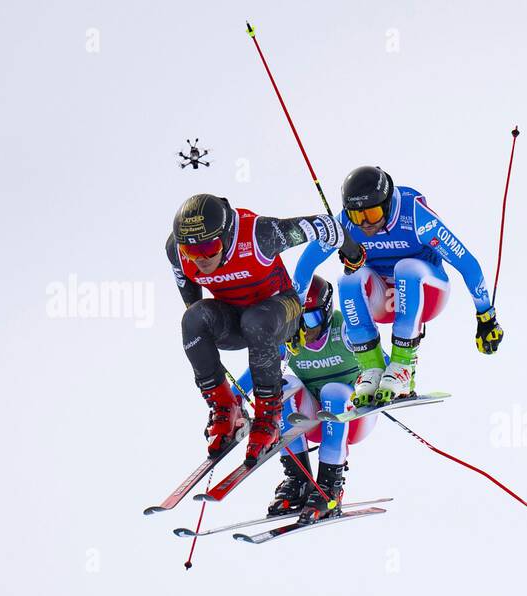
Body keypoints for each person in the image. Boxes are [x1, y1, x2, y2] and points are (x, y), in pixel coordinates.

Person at [167, 193, 365, 464]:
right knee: (192, 319)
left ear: (226, 235)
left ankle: (268, 417)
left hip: (282, 312)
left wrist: (353, 254)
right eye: (192, 252)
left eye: (209, 248)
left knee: (256, 320)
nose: (200, 259)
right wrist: (204, 344)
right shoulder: (176, 251)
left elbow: (326, 225)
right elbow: (194, 305)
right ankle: (225, 409)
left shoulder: (260, 235)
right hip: (235, 320)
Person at [294, 166, 504, 407]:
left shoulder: (415, 216)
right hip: (384, 299)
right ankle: (371, 368)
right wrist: (294, 314)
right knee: (349, 279)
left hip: (427, 292)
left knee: (406, 267)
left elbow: (467, 263)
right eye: (357, 216)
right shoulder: (345, 224)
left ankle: (403, 366)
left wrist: (486, 316)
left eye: (372, 214)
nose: (365, 223)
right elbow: (305, 266)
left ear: (386, 204)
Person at [262, 276, 377, 524]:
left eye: (312, 319)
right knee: (279, 385)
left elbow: (380, 360)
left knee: (333, 391)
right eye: (297, 322)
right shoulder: (288, 338)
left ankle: (329, 487)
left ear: (326, 312)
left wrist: (391, 384)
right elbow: (257, 370)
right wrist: (233, 398)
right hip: (314, 423)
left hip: (354, 417)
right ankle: (299, 480)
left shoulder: (344, 328)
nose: (304, 330)